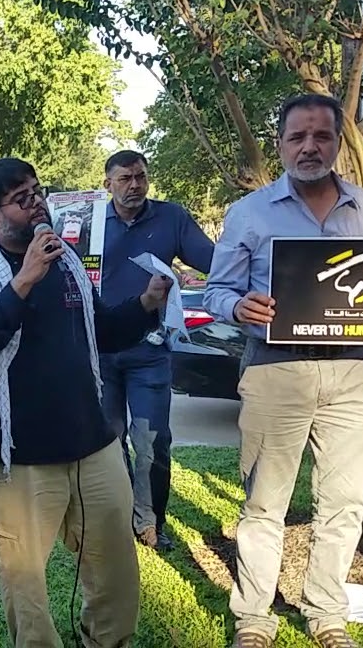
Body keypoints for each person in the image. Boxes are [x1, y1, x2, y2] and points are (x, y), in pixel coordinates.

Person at [204, 93, 363, 648]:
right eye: (298, 137)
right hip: (276, 372)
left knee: (343, 504)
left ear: (338, 143)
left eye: (321, 136)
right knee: (263, 503)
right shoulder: (248, 213)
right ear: (281, 145)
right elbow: (218, 290)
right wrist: (236, 306)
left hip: (358, 374)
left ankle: (327, 615)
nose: (309, 147)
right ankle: (254, 618)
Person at [0, 157, 171, 648]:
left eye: (37, 191)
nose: (37, 204)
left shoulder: (66, 261)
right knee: (27, 593)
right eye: (21, 199)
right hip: (18, 460)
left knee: (115, 574)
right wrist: (22, 281)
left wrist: (146, 305)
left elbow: (100, 332)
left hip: (92, 446)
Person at [99, 149, 215, 551]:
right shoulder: (89, 223)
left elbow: (213, 261)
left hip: (149, 350)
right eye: (125, 178)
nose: (134, 185)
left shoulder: (171, 218)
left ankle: (149, 523)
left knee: (151, 439)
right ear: (107, 183)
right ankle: (116, 518)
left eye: (141, 177)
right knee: (106, 439)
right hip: (97, 350)